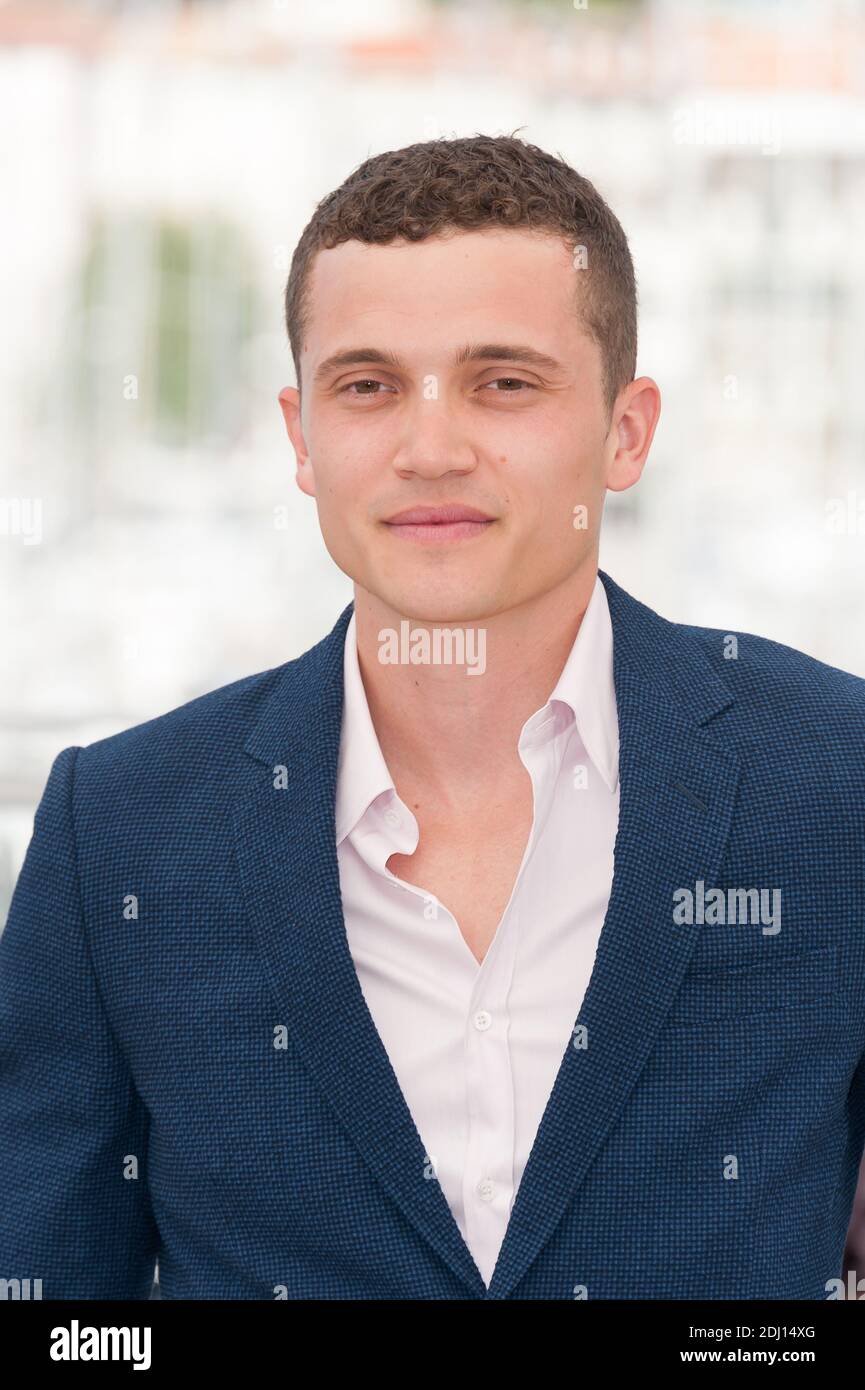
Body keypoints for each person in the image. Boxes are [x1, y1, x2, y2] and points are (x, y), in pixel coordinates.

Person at [1, 135, 864, 1301]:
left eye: (502, 381)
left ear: (626, 429)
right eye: (366, 387)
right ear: (302, 435)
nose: (430, 447)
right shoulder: (117, 833)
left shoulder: (834, 785)